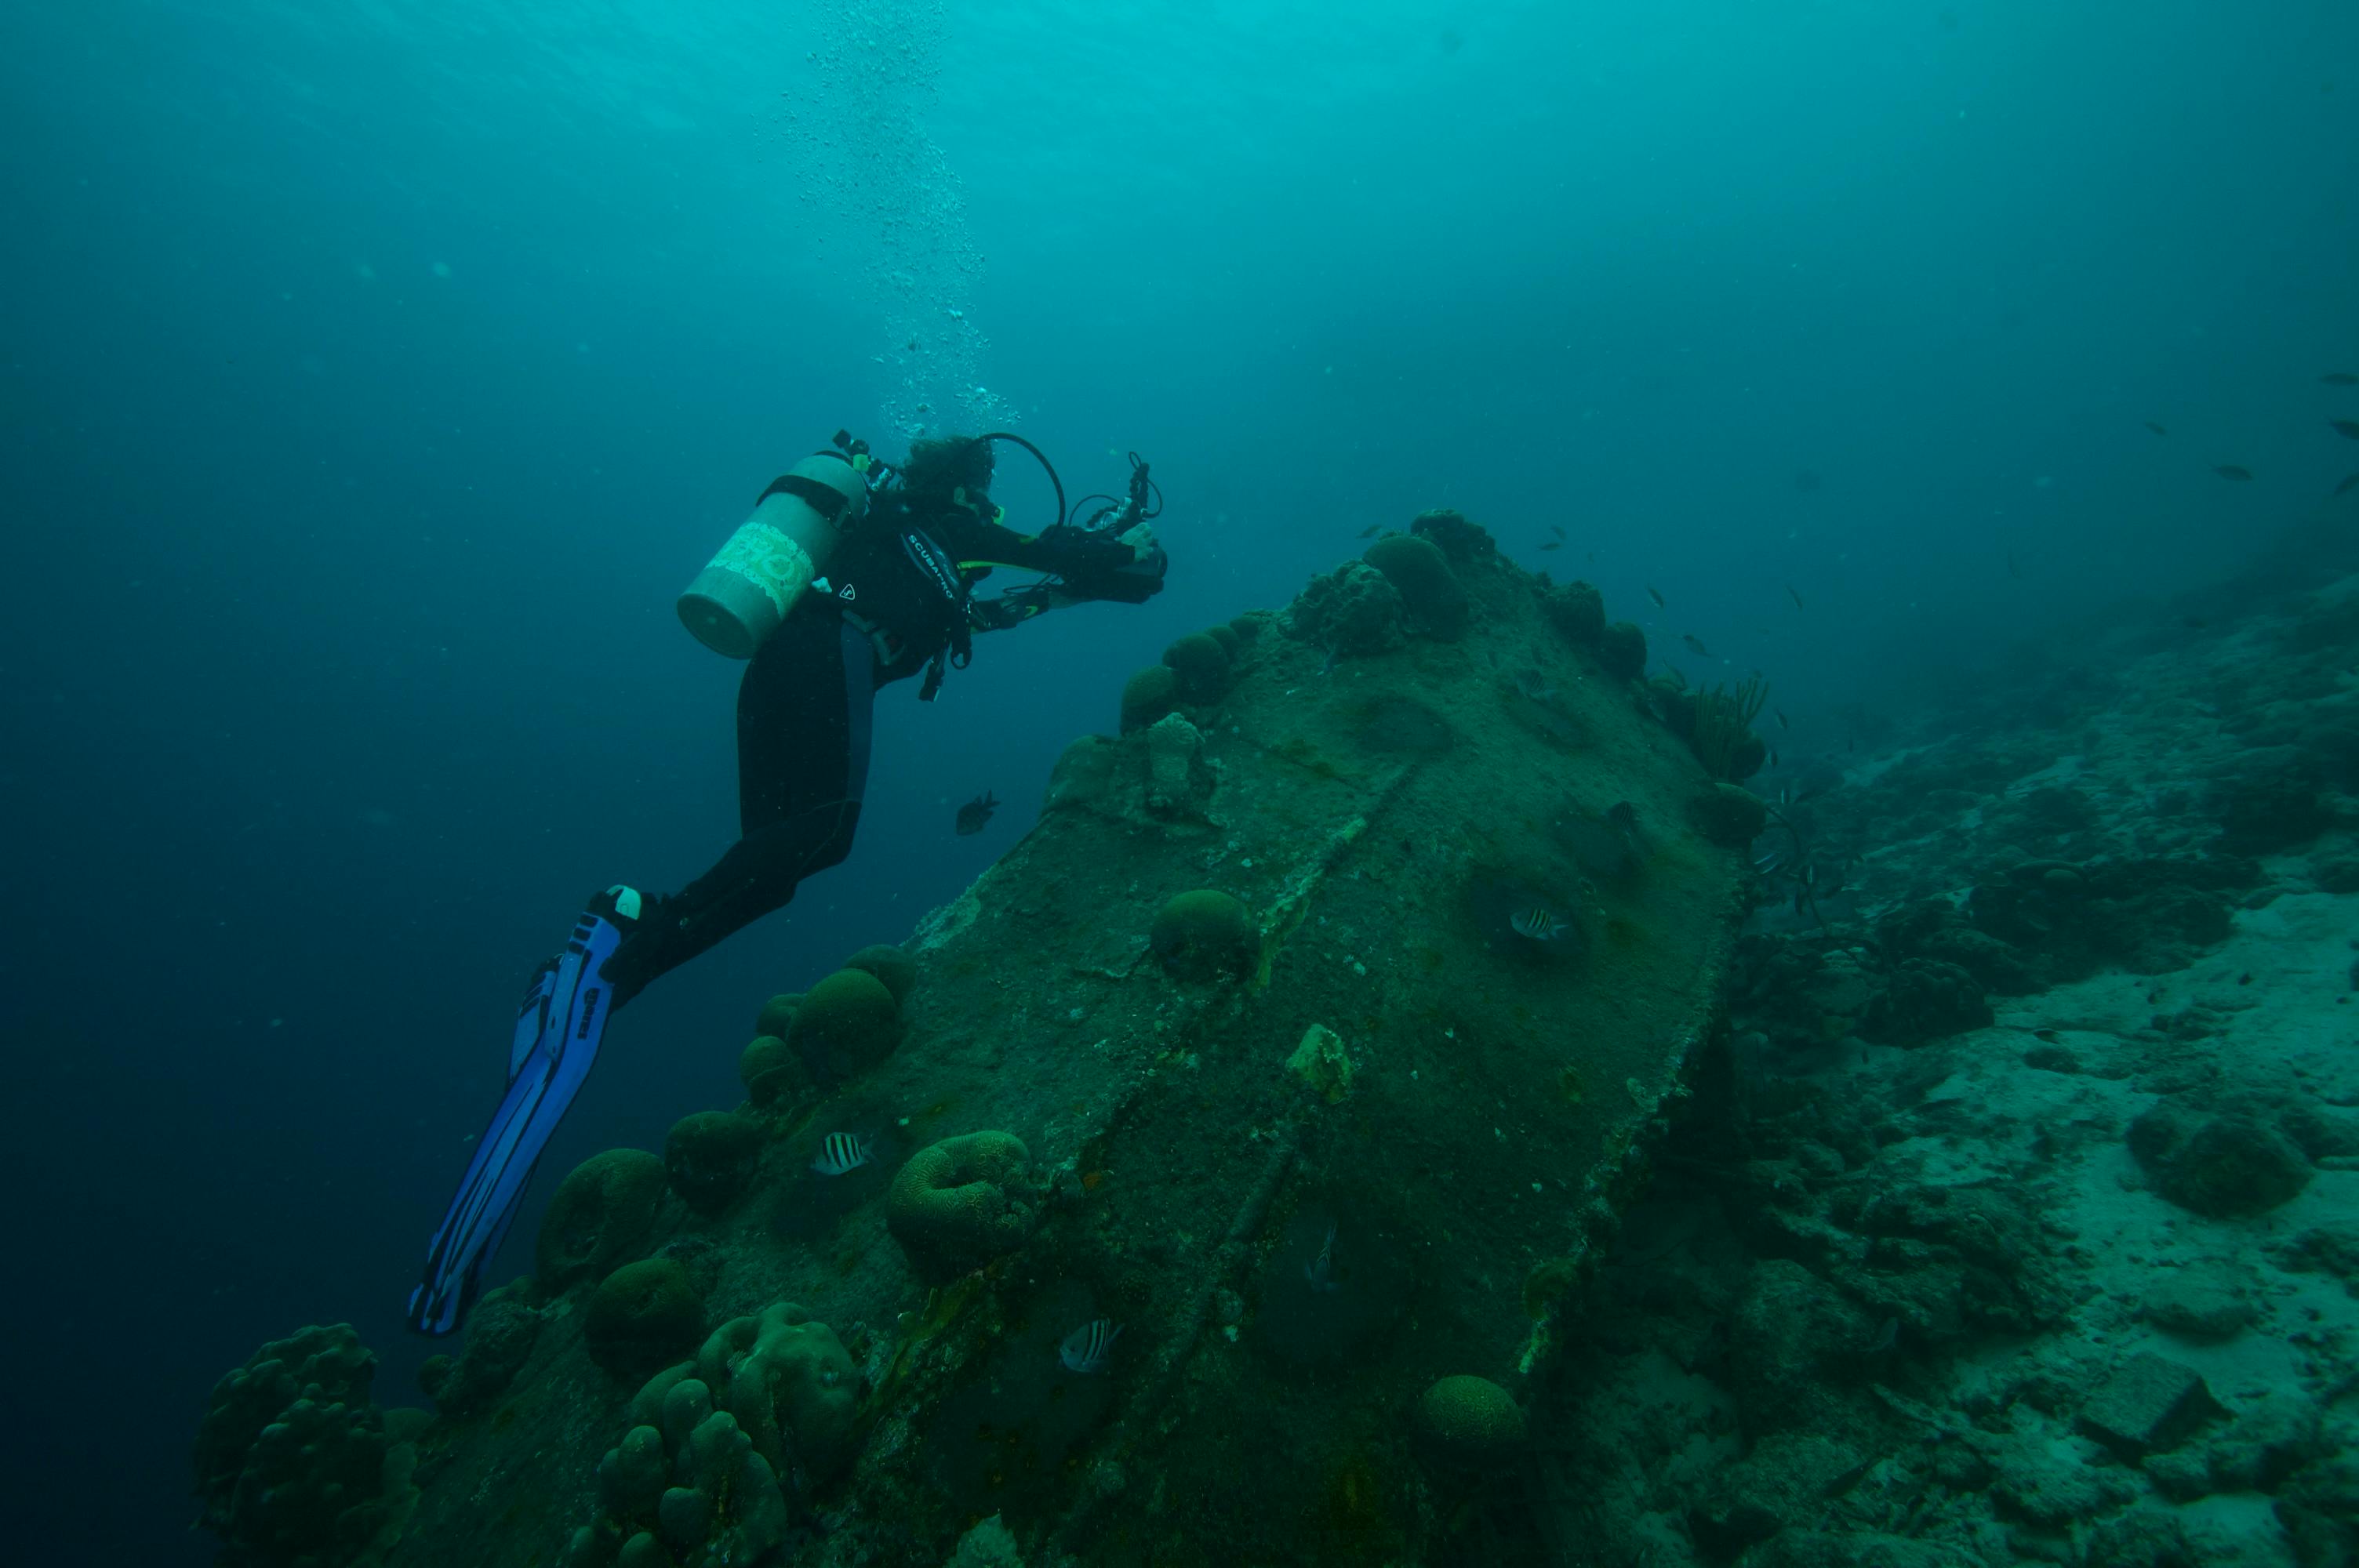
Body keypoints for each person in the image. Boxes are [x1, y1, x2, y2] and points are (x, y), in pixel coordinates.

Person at [406, 432, 1166, 1334]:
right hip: (829, 652)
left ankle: (620, 960)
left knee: (774, 860)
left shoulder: (892, 534)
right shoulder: (943, 518)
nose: (993, 499)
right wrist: (1130, 553)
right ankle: (635, 924)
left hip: (777, 661)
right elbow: (1048, 551)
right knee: (824, 832)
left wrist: (1068, 585)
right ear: (964, 480)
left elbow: (993, 606)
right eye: (988, 483)